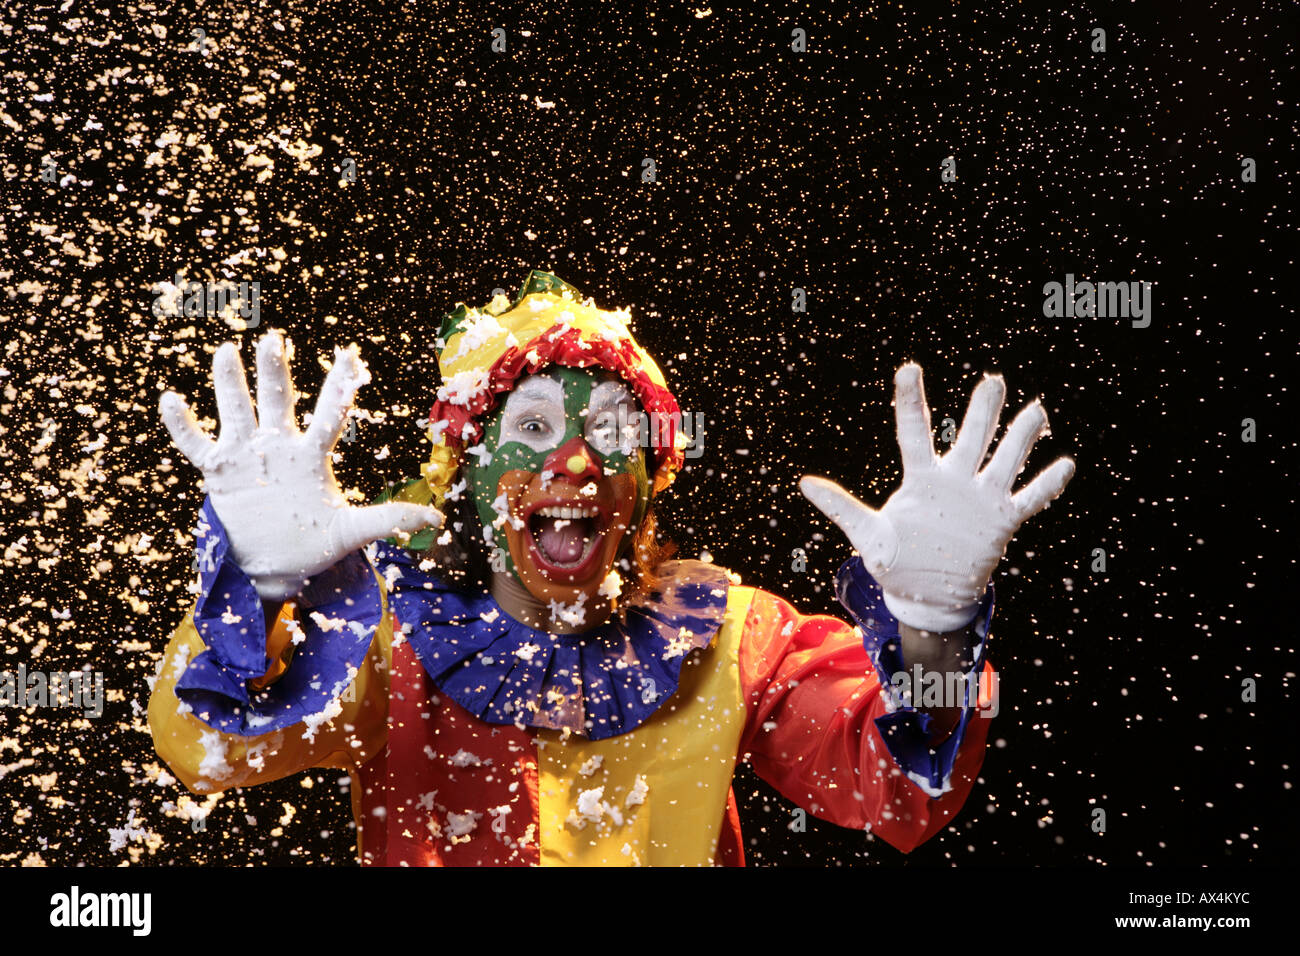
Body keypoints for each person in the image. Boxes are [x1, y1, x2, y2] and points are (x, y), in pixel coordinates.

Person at [148, 270, 1075, 866]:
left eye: (614, 435)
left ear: (645, 482)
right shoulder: (388, 641)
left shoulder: (735, 639)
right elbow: (209, 752)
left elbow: (896, 787)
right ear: (470, 479)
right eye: (536, 430)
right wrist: (262, 591)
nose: (577, 463)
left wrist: (934, 625)